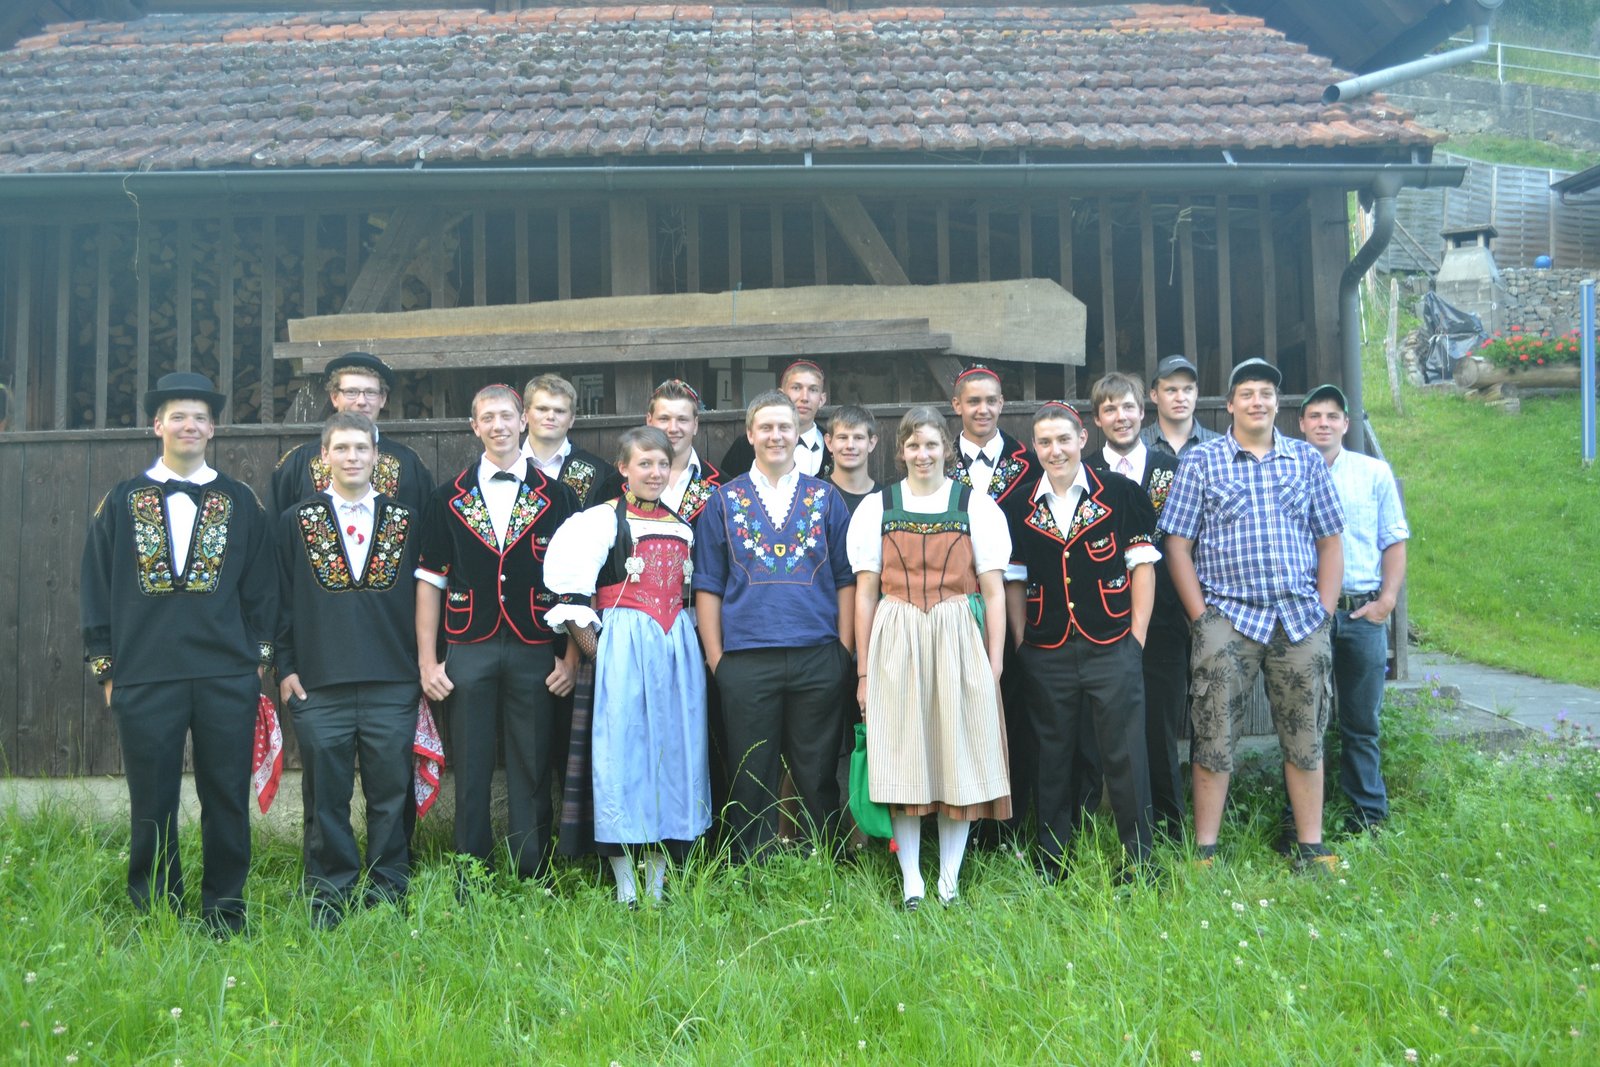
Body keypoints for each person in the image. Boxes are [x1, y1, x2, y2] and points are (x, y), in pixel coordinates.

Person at [80, 372, 277, 937]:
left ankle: (225, 911)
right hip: (145, 675)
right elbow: (95, 587)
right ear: (157, 425)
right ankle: (154, 910)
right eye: (177, 415)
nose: (189, 425)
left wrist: (255, 662)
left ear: (212, 428)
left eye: (199, 417)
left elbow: (263, 589)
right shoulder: (120, 501)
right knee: (152, 799)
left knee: (226, 799)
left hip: (225, 676)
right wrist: (106, 668)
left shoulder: (242, 502)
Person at [1159, 359, 1345, 871]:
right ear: (1231, 403)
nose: (1257, 401)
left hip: (1299, 619)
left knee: (1305, 734)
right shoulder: (1203, 462)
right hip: (1228, 618)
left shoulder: (1306, 461)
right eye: (1247, 393)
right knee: (1213, 734)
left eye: (1266, 392)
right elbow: (1177, 545)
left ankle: (1312, 847)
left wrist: (1324, 614)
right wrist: (1202, 618)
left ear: (1276, 403)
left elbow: (1331, 542)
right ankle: (1206, 852)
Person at [414, 384, 582, 881]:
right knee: (470, 763)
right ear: (475, 427)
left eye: (507, 416)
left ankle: (532, 870)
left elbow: (577, 586)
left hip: (537, 648)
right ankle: (471, 873)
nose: (499, 426)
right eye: (488, 418)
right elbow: (430, 581)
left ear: (523, 421)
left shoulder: (559, 496)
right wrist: (428, 660)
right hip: (469, 645)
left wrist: (571, 658)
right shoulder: (447, 497)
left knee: (531, 763)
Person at [850, 407, 1011, 908]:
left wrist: (995, 660)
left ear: (947, 449)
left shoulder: (975, 506)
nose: (923, 455)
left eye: (932, 445)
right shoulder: (877, 507)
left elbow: (995, 590)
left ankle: (948, 880)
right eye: (913, 445)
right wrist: (862, 668)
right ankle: (911, 882)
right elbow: (864, 593)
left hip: (957, 634)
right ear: (900, 451)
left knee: (954, 754)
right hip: (896, 635)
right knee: (902, 755)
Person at [545, 426, 711, 906]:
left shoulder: (681, 524)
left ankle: (657, 885)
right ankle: (625, 888)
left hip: (674, 649)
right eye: (644, 464)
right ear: (623, 468)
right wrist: (604, 655)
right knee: (623, 760)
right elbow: (571, 596)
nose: (655, 473)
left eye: (662, 464)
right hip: (623, 649)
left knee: (671, 757)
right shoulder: (600, 522)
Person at [693, 390, 856, 862]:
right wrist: (717, 659)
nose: (776, 435)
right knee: (751, 769)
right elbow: (707, 585)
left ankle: (825, 858)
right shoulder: (723, 501)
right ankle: (751, 863)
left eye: (785, 426)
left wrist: (843, 650)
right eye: (765, 427)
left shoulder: (826, 499)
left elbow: (846, 578)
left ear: (798, 432)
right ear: (750, 435)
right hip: (745, 658)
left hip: (818, 654)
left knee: (817, 768)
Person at [275, 411, 421, 928]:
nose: (353, 457)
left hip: (393, 680)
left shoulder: (407, 519)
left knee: (389, 796)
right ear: (325, 458)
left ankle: (389, 892)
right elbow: (279, 601)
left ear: (377, 457)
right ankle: (329, 894)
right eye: (342, 448)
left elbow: (429, 598)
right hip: (318, 684)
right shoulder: (295, 521)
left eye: (362, 448)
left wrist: (423, 668)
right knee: (326, 796)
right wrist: (284, 668)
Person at [1005, 401, 1159, 881]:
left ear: (1081, 441)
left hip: (1112, 642)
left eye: (1064, 440)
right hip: (1046, 648)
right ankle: (1052, 857)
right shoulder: (1019, 504)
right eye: (1045, 442)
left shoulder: (1120, 493)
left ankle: (1139, 859)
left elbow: (1143, 568)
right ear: (1035, 448)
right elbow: (1014, 580)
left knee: (1125, 753)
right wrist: (1021, 642)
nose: (1056, 450)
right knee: (1051, 753)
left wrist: (1136, 639)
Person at [1299, 383, 1409, 835]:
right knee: (1306, 722)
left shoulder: (1374, 473)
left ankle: (1368, 817)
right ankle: (1304, 819)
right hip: (1308, 615)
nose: (1323, 423)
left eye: (1332, 416)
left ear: (1346, 423)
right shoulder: (1289, 471)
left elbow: (1395, 539)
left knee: (1361, 721)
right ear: (1301, 424)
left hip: (1362, 614)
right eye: (1315, 416)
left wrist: (1386, 601)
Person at [1085, 371, 1188, 840]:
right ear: (1097, 419)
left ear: (1142, 413)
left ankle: (1168, 824)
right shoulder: (1082, 472)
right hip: (1096, 620)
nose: (1120, 417)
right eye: (1109, 409)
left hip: (1165, 618)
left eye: (1127, 407)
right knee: (1093, 731)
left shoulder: (1172, 469)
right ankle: (1089, 822)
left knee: (1159, 726)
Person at [948, 362, 1037, 847]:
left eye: (991, 401)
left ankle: (1012, 826)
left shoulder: (1031, 460)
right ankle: (966, 823)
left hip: (1019, 604)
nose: (982, 409)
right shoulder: (938, 462)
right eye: (973, 401)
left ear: (1002, 405)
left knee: (1014, 711)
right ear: (957, 405)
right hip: (956, 607)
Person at [271, 351, 434, 516]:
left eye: (370, 392)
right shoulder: (297, 464)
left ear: (382, 399)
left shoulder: (410, 464)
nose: (361, 401)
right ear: (334, 397)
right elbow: (276, 534)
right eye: (351, 392)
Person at [720, 360, 834, 479]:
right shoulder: (744, 446)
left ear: (822, 399)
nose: (804, 397)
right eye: (796, 388)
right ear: (781, 394)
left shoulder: (834, 446)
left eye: (813, 389)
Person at [521, 373, 613, 509]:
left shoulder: (601, 473)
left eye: (559, 411)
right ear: (525, 415)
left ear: (571, 420)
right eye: (542, 409)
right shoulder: (505, 466)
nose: (550, 416)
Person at [644, 379, 725, 523]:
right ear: (649, 422)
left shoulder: (723, 486)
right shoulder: (620, 484)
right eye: (664, 419)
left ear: (695, 425)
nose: (673, 428)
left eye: (682, 419)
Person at [1140, 354, 1220, 459]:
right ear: (1154, 395)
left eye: (1188, 389)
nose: (1181, 398)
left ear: (1196, 393)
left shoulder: (1218, 446)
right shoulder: (1138, 443)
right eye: (1171, 390)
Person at [826, 404, 880, 511]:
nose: (850, 445)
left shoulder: (885, 499)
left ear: (871, 443)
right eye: (842, 437)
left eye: (858, 438)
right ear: (829, 442)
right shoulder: (815, 496)